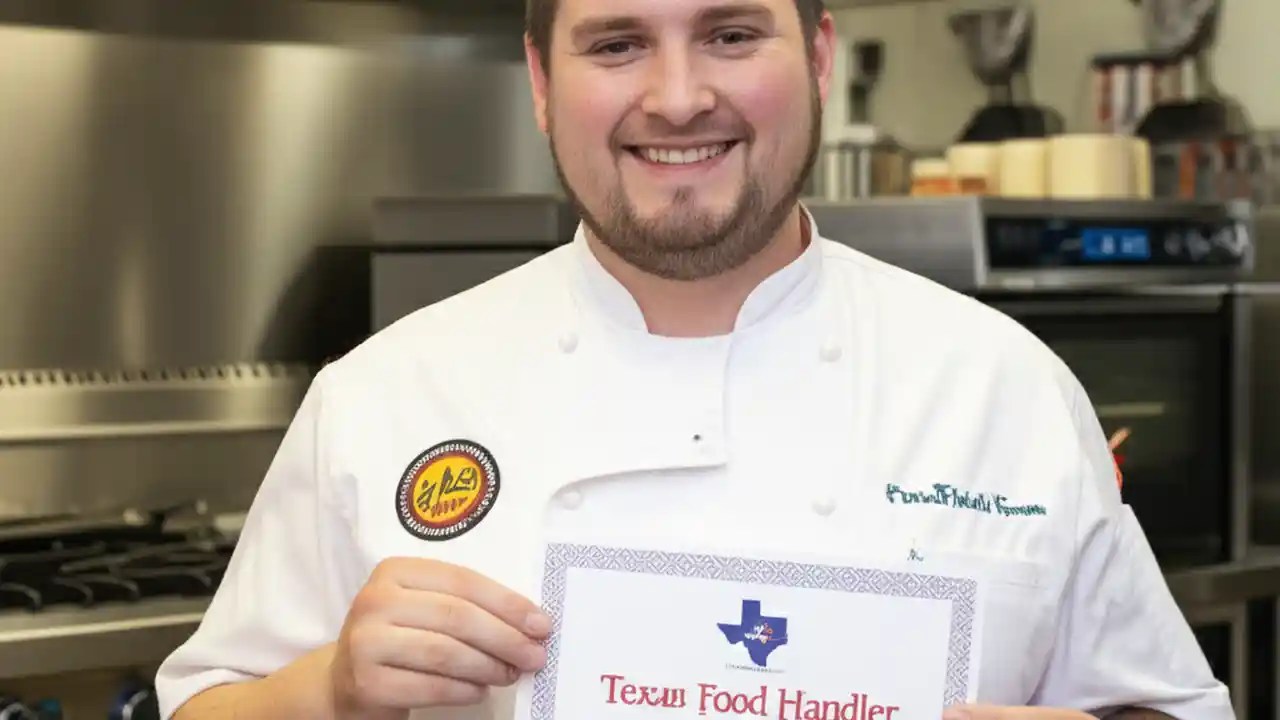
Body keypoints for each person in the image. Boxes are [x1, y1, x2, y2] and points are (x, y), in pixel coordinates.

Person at [154, 0, 1234, 718]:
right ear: (539, 81)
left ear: (815, 57)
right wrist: (328, 690)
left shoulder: (1002, 385)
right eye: (616, 42)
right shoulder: (383, 395)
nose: (675, 97)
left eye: (727, 33)